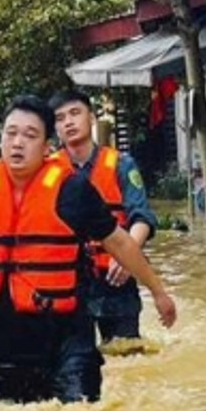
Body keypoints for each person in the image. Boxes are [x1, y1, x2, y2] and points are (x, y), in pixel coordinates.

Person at [0, 95, 177, 404]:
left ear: (47, 146)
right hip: (2, 336)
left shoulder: (73, 192)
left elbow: (118, 241)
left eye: (29, 135)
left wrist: (158, 292)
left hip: (66, 337)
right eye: (11, 133)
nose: (18, 143)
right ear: (0, 138)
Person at [49, 89, 157, 345]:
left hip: (115, 277)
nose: (69, 122)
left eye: (75, 113)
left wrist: (127, 254)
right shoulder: (47, 171)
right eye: (60, 118)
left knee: (125, 354)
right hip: (67, 280)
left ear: (92, 118)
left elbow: (140, 217)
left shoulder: (121, 164)